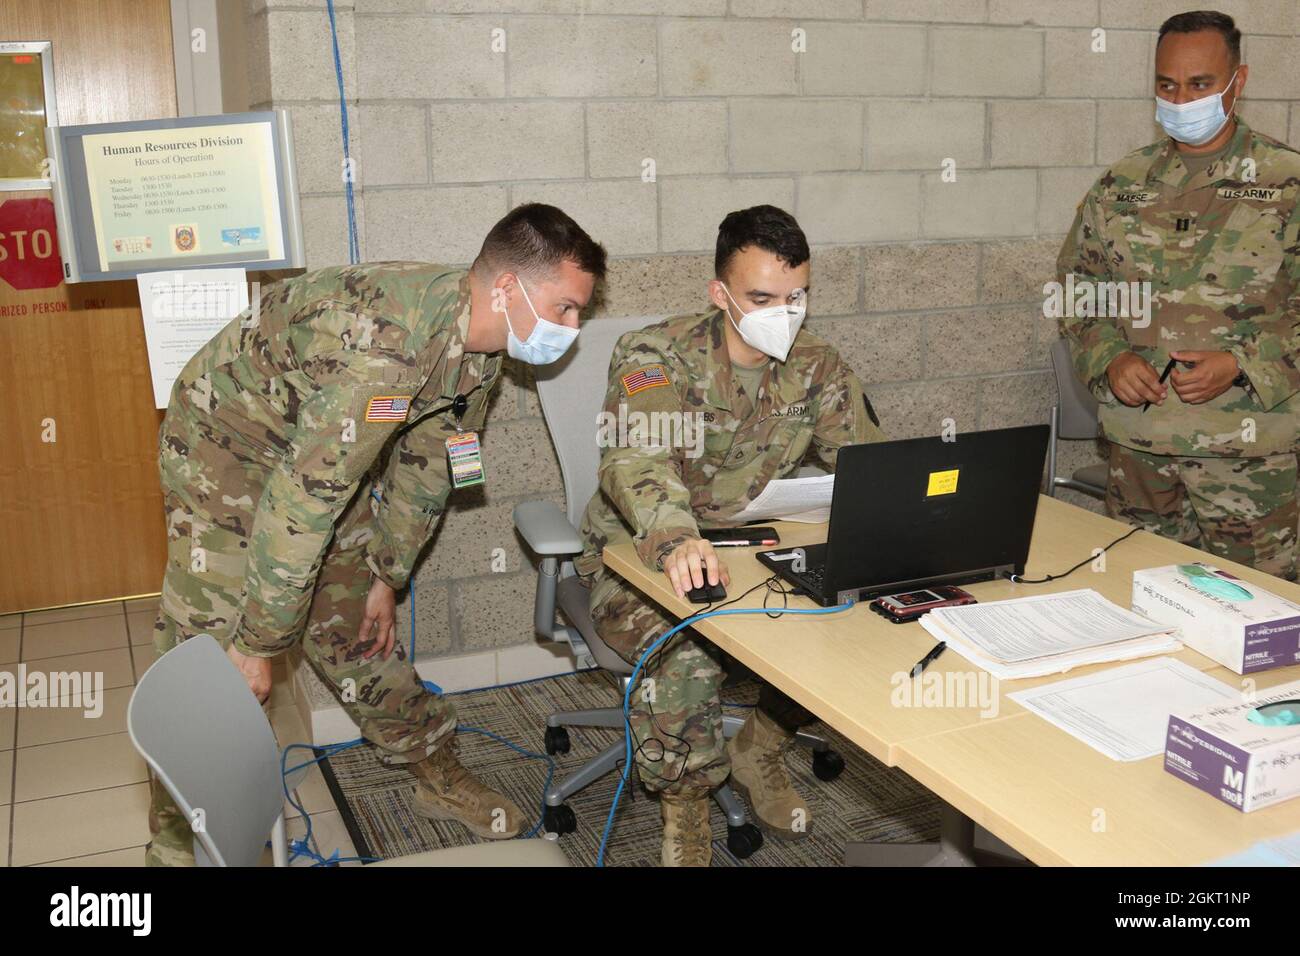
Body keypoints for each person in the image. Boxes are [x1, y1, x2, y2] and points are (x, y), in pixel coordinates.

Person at [146, 204, 606, 865]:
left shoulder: (478, 348)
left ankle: (433, 770)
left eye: (580, 314)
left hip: (319, 445)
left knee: (353, 625)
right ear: (506, 288)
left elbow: (432, 469)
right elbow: (298, 510)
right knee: (208, 656)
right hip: (227, 444)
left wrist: (386, 575)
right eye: (564, 309)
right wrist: (256, 644)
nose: (573, 330)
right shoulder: (385, 354)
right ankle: (175, 844)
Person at [576, 205, 886, 865]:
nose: (785, 312)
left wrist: (914, 516)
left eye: (797, 296)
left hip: (754, 544)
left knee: (853, 617)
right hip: (640, 552)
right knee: (682, 656)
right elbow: (636, 459)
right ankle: (685, 806)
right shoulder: (657, 354)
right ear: (720, 295)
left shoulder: (816, 366)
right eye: (762, 298)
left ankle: (762, 741)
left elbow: (871, 465)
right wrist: (675, 536)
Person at [1057, 9, 1299, 581]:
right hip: (1140, 452)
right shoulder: (1122, 184)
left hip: (1250, 460)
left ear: (1238, 82)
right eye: (1167, 85)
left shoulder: (1287, 183)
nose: (1181, 99)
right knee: (1137, 605)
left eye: (1199, 85)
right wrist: (1109, 357)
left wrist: (1243, 364)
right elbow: (1076, 289)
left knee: (1257, 625)